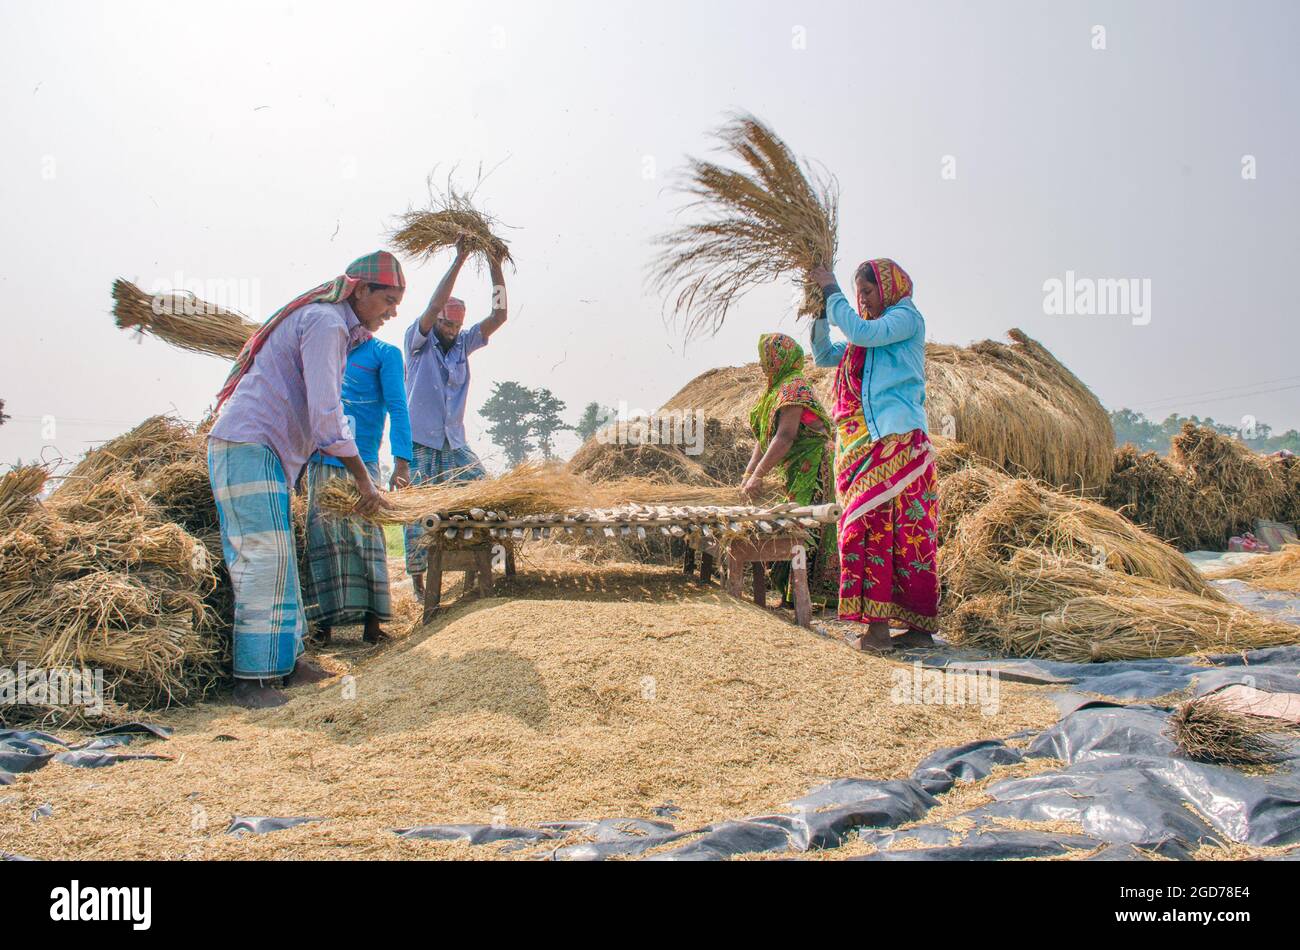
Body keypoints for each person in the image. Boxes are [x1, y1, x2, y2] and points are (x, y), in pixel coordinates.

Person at [208, 251, 401, 708]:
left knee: (282, 561)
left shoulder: (333, 325)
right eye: (387, 300)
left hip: (268, 452)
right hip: (246, 445)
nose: (392, 312)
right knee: (261, 560)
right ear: (360, 290)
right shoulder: (326, 324)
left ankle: (289, 663)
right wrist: (366, 484)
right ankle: (252, 682)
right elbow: (327, 417)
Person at [809, 258, 938, 653]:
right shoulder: (866, 339)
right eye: (858, 292)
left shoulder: (904, 318)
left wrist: (832, 289)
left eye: (867, 291)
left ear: (888, 287)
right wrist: (817, 310)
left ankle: (890, 629)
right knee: (879, 532)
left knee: (895, 534)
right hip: (864, 446)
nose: (862, 299)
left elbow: (862, 331)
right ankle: (888, 627)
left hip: (898, 442)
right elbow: (823, 355)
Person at [403, 238, 508, 597]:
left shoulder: (464, 344)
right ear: (438, 321)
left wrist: (495, 265)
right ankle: (419, 582)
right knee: (417, 510)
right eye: (446, 324)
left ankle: (480, 568)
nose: (451, 331)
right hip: (419, 441)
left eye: (455, 327)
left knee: (485, 492)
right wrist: (461, 258)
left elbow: (499, 317)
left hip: (454, 442)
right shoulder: (417, 342)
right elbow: (432, 306)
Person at [302, 334, 413, 645]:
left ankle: (372, 627)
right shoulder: (326, 350)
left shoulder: (384, 353)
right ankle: (322, 629)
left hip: (363, 465)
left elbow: (398, 407)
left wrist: (401, 463)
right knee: (322, 540)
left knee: (368, 540)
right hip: (321, 460)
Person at [740, 333, 836, 607]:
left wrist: (759, 475)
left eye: (765, 358)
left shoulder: (794, 389)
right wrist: (748, 475)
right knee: (789, 519)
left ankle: (806, 596)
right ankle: (789, 593)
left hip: (814, 465)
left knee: (802, 523)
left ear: (778, 359)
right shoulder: (774, 392)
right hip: (795, 467)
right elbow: (765, 439)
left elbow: (785, 437)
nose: (761, 364)